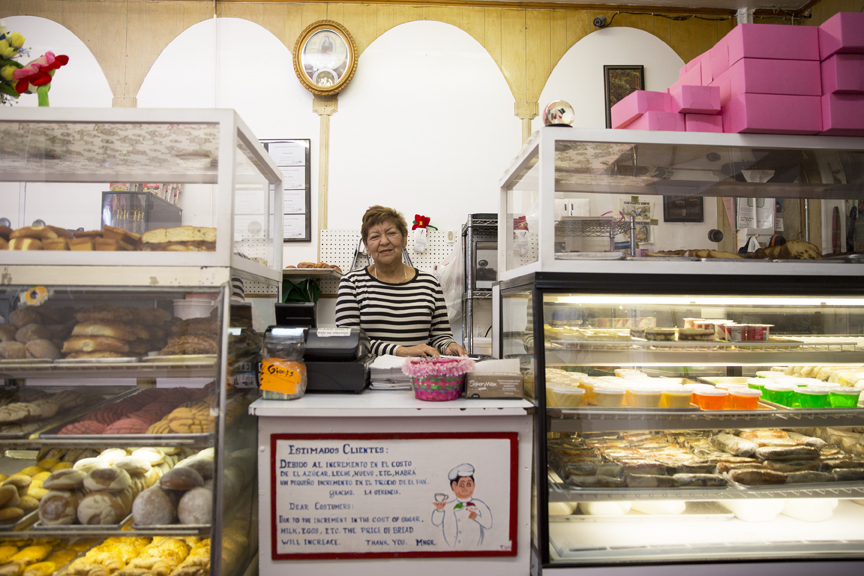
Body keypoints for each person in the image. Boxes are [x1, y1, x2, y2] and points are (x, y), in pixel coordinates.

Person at [335, 205, 468, 358]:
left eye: (391, 233)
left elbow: (441, 336)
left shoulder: (429, 284)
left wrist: (449, 345)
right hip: (369, 372)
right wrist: (402, 351)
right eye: (375, 237)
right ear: (366, 245)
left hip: (420, 371)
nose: (384, 241)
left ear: (404, 237)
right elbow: (349, 341)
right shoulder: (352, 284)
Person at [431, 463, 493, 549]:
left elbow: (489, 524)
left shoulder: (480, 505)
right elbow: (436, 522)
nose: (465, 488)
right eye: (461, 485)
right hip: (450, 549)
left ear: (474, 485)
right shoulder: (448, 506)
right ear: (454, 486)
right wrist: (439, 510)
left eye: (468, 484)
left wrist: (476, 517)